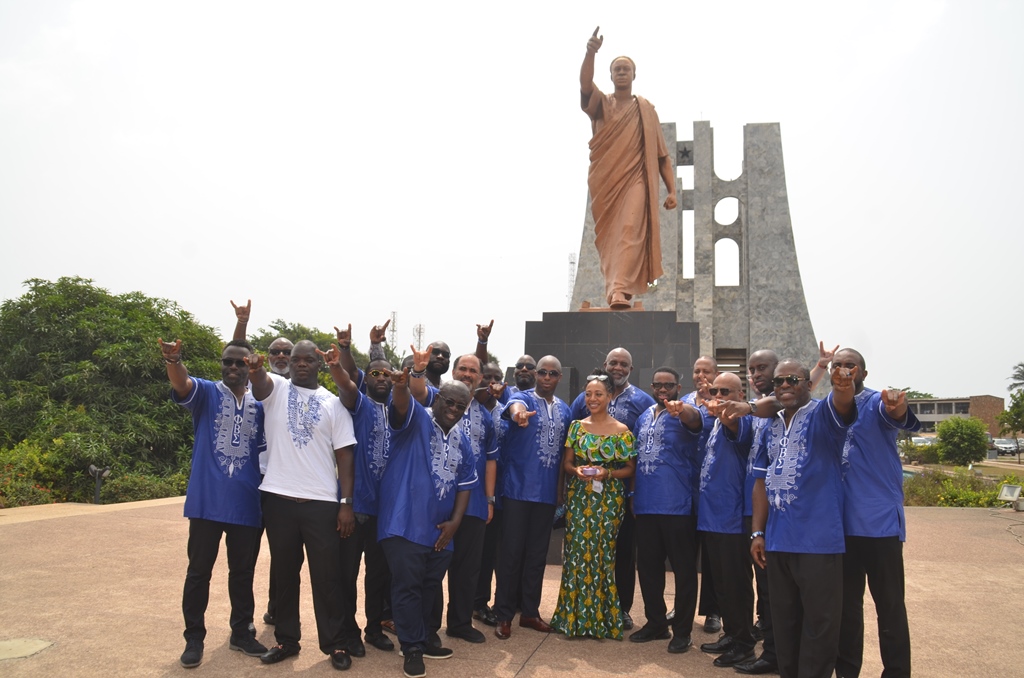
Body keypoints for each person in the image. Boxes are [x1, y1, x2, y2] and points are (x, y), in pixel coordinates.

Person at [248, 340, 357, 672]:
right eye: (295, 359)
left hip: (321, 503)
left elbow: (345, 457)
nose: (300, 364)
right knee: (284, 575)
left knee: (327, 578)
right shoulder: (278, 389)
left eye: (308, 359)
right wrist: (254, 370)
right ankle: (286, 640)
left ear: (319, 364)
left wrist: (345, 503)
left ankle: (335, 644)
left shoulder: (333, 404)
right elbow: (261, 382)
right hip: (278, 500)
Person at [160, 338, 268, 668]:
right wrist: (173, 360)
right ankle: (194, 638)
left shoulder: (261, 405)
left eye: (239, 363)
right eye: (227, 362)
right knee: (198, 573)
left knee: (242, 574)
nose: (232, 367)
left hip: (247, 503)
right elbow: (182, 382)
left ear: (250, 366)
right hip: (207, 502)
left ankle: (241, 633)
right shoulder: (207, 393)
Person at [750, 360, 857, 678]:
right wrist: (757, 532)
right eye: (779, 380)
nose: (784, 385)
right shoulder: (772, 425)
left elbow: (843, 402)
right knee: (783, 623)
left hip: (818, 543)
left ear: (809, 383)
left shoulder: (823, 415)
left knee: (819, 627)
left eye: (793, 379)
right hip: (778, 541)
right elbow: (761, 482)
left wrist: (842, 383)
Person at [377, 369, 478, 678]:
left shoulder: (463, 439)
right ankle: (411, 648)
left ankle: (423, 639)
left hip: (441, 531)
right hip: (404, 524)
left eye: (461, 405)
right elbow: (404, 402)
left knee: (429, 586)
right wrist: (402, 383)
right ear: (438, 399)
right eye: (449, 401)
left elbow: (465, 484)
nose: (454, 409)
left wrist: (455, 523)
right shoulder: (417, 420)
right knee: (408, 588)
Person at [832, 349, 919, 678]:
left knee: (890, 607)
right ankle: (847, 672)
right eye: (837, 365)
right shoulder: (828, 410)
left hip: (879, 525)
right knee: (846, 610)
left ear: (863, 375)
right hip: (842, 528)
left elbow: (895, 413)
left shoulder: (874, 404)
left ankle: (896, 672)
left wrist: (898, 407)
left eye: (850, 365)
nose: (843, 370)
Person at [580, 27, 677, 309]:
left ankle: (620, 290)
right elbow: (586, 86)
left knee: (629, 229)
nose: (622, 73)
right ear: (610, 76)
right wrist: (590, 53)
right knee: (609, 239)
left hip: (636, 179)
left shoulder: (646, 110)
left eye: (626, 69)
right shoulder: (602, 104)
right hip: (605, 182)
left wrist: (671, 190)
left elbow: (661, 156)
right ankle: (613, 288)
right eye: (617, 69)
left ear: (634, 75)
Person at [406, 348, 498, 646]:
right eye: (463, 369)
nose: (467, 374)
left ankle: (459, 622)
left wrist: (489, 500)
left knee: (467, 568)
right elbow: (416, 392)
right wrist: (417, 372)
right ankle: (429, 628)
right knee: (432, 567)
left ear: (480, 378)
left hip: (472, 503)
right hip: (436, 502)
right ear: (454, 372)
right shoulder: (438, 397)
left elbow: (491, 459)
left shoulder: (485, 415)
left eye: (473, 371)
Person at [320, 326, 399, 656]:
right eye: (375, 374)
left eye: (386, 374)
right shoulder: (359, 405)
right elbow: (346, 383)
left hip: (387, 510)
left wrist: (377, 346)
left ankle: (373, 628)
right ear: (367, 380)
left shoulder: (400, 412)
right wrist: (340, 357)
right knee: (347, 573)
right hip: (357, 507)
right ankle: (348, 632)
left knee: (378, 575)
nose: (381, 378)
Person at [569, 347, 654, 630]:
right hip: (583, 494)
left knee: (622, 552)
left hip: (619, 492)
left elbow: (641, 450)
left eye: (623, 364)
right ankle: (582, 610)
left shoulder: (642, 400)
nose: (617, 368)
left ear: (631, 367)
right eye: (613, 363)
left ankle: (623, 608)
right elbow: (569, 447)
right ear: (605, 365)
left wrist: (622, 483)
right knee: (584, 552)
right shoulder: (583, 401)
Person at [550, 369, 636, 639]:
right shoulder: (576, 427)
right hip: (579, 498)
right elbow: (566, 463)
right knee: (576, 555)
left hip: (608, 500)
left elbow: (630, 469)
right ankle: (572, 619)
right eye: (588, 394)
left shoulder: (622, 431)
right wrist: (576, 472)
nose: (592, 398)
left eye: (598, 394)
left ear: (610, 396)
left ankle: (603, 618)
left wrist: (606, 473)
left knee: (602, 555)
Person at [493, 356, 572, 640]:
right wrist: (517, 415)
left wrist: (560, 491)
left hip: (547, 494)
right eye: (542, 372)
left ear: (559, 377)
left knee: (537, 556)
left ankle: (529, 612)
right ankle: (503, 615)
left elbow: (565, 453)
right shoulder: (522, 398)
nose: (546, 377)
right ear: (536, 375)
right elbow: (515, 409)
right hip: (517, 490)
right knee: (511, 553)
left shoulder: (564, 409)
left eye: (553, 373)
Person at [629, 367, 704, 653]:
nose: (663, 390)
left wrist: (681, 410)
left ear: (678, 386)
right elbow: (635, 458)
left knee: (684, 572)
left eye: (669, 385)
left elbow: (695, 422)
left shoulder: (686, 411)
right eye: (658, 385)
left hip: (678, 506)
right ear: (651, 386)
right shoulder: (645, 416)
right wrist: (634, 495)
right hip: (646, 505)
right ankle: (656, 623)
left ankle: (682, 631)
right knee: (648, 569)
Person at [229, 299, 293, 628]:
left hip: (282, 485)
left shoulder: (302, 392)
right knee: (245, 556)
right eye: (276, 352)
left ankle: (276, 610)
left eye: (287, 353)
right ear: (267, 359)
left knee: (283, 556)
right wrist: (242, 323)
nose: (281, 356)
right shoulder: (252, 388)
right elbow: (236, 356)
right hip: (251, 482)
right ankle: (243, 621)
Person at [697, 372, 756, 667]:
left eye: (726, 391)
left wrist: (726, 414)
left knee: (736, 584)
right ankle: (732, 634)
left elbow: (735, 425)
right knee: (721, 584)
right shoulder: (716, 424)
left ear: (741, 396)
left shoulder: (741, 421)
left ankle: (744, 643)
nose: (719, 395)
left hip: (732, 519)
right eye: (715, 390)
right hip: (711, 518)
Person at [473, 362, 508, 627]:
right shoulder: (464, 408)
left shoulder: (506, 410)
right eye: (489, 378)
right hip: (465, 489)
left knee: (487, 553)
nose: (493, 383)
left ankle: (480, 602)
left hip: (496, 492)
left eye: (498, 378)